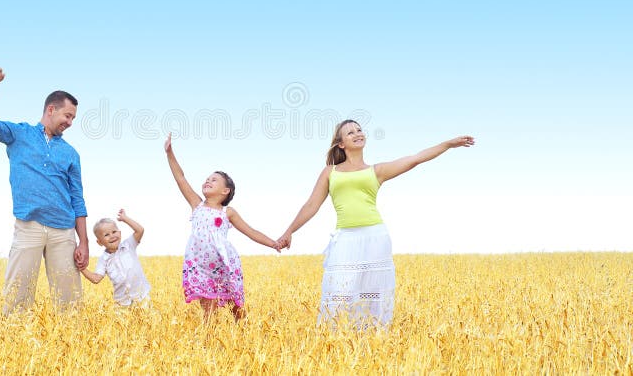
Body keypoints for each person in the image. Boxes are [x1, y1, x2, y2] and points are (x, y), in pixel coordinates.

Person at [277, 120, 475, 329]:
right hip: (345, 238)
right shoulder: (330, 172)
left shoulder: (377, 171)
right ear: (341, 144)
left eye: (359, 130)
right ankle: (335, 341)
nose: (357, 134)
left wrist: (448, 144)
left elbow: (415, 159)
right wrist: (289, 231)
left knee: (371, 293)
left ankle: (372, 341)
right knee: (339, 293)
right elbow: (311, 205)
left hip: (375, 236)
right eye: (350, 132)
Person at [0, 67, 89, 314]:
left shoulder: (70, 153)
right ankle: (15, 348)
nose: (70, 122)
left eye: (73, 118)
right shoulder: (19, 134)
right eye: (67, 116)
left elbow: (78, 200)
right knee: (17, 299)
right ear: (51, 109)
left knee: (70, 304)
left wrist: (83, 242)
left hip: (63, 232)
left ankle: (72, 348)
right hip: (28, 227)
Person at [164, 133, 279, 320]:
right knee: (208, 310)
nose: (208, 181)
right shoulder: (197, 205)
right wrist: (170, 153)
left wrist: (273, 243)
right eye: (207, 179)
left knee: (235, 305)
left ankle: (243, 334)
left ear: (225, 191)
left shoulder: (228, 212)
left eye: (214, 180)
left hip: (224, 266)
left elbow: (251, 232)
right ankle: (208, 343)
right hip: (200, 267)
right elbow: (181, 178)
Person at [80, 209, 151, 307]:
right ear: (100, 242)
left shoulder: (129, 245)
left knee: (146, 320)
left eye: (114, 232)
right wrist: (81, 268)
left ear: (120, 233)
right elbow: (96, 279)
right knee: (124, 322)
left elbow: (140, 230)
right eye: (106, 235)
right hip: (122, 302)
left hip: (142, 296)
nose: (112, 236)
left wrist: (125, 219)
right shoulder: (103, 260)